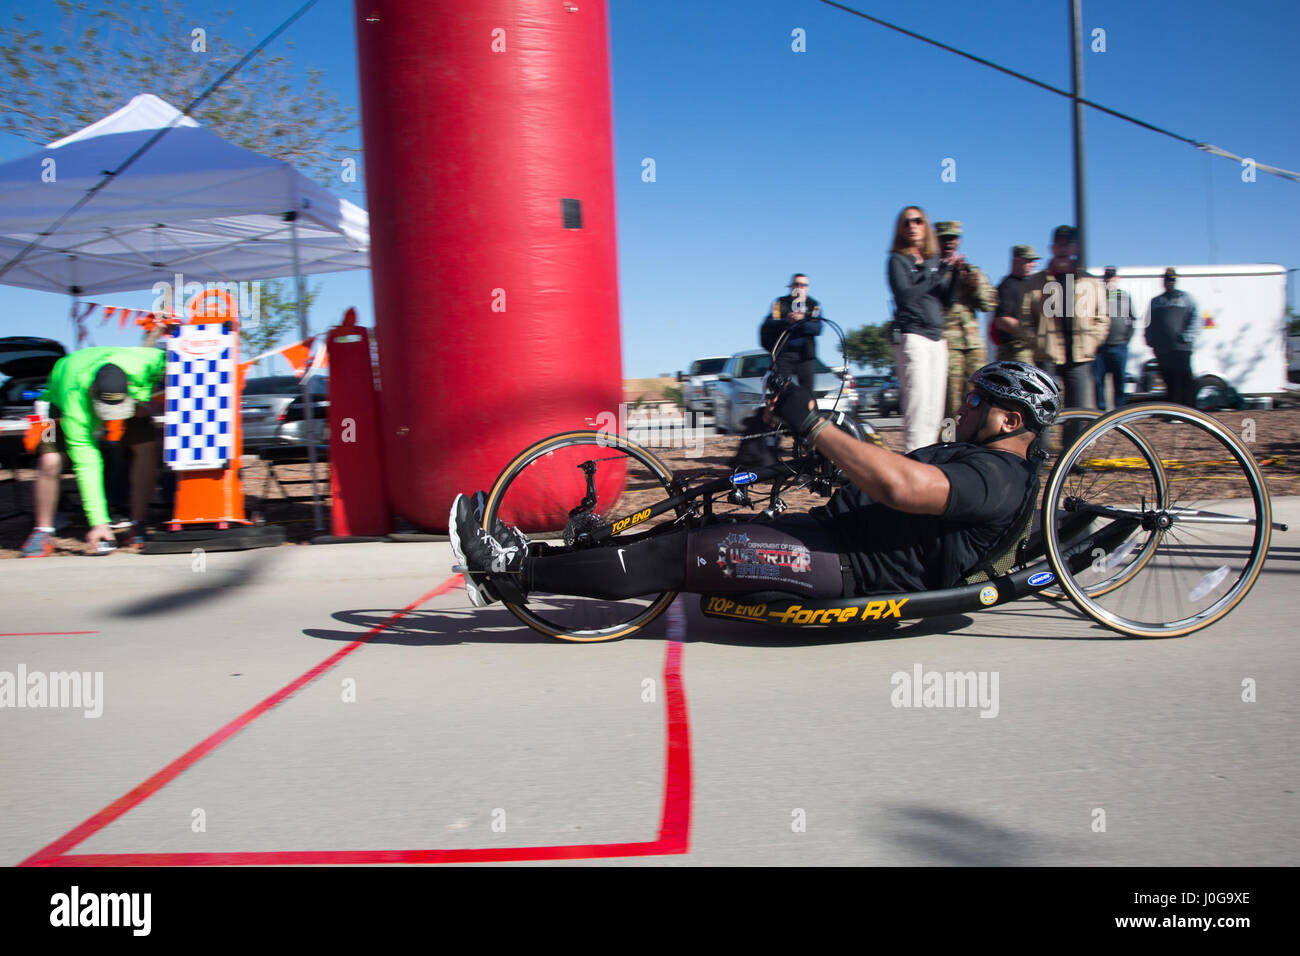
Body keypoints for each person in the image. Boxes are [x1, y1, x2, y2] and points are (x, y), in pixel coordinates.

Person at [449, 361, 1062, 607]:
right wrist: (837, 450)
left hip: (852, 569)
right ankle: (530, 555)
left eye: (980, 398)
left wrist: (815, 424)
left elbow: (904, 487)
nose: (969, 401)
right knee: (693, 523)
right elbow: (886, 473)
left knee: (680, 554)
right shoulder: (981, 460)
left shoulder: (998, 477)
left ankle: (508, 577)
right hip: (833, 536)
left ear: (1012, 420)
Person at [19, 346, 166, 557]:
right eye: (106, 414)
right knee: (49, 460)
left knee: (146, 447)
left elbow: (175, 361)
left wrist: (148, 399)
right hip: (56, 404)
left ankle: (137, 524)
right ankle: (42, 532)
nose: (109, 420)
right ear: (91, 392)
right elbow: (87, 463)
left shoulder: (146, 361)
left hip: (127, 394)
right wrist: (99, 523)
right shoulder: (74, 404)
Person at [1018, 225, 1108, 439]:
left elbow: (1102, 318)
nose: (1063, 249)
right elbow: (1024, 320)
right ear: (1052, 247)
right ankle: (1040, 453)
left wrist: (1093, 341)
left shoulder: (1090, 282)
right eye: (1059, 244)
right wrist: (1037, 342)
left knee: (1079, 410)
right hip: (1048, 355)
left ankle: (1072, 454)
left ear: (1075, 247)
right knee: (1043, 408)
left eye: (1067, 244)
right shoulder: (1035, 283)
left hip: (1080, 356)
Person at [887, 206, 961, 452]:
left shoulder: (932, 261)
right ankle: (913, 461)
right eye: (907, 222)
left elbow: (947, 301)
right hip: (913, 336)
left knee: (934, 411)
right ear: (900, 228)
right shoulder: (897, 260)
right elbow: (906, 296)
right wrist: (936, 273)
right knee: (917, 408)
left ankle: (927, 464)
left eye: (918, 221)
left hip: (937, 339)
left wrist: (955, 274)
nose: (912, 226)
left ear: (925, 226)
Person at [935, 221, 997, 424]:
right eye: (944, 238)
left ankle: (973, 444)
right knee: (951, 403)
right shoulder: (933, 271)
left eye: (952, 238)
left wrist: (974, 283)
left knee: (978, 397)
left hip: (973, 346)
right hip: (947, 344)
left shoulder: (972, 271)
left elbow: (989, 303)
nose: (949, 243)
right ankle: (948, 446)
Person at [1145, 267, 1200, 407]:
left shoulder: (1186, 298)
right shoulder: (1156, 301)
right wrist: (1150, 339)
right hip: (1163, 349)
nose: (1169, 282)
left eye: (1172, 280)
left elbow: (1195, 318)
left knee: (1185, 379)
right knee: (1169, 380)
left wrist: (1187, 337)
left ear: (1176, 281)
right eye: (1167, 279)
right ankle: (1173, 410)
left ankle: (1191, 410)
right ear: (1163, 281)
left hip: (1181, 348)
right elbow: (1148, 322)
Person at [760, 273, 823, 390]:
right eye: (796, 284)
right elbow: (770, 323)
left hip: (805, 355)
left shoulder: (813, 305)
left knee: (807, 392)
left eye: (803, 285)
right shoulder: (780, 303)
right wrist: (787, 320)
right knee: (781, 390)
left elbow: (817, 328)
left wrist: (802, 320)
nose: (799, 288)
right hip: (784, 353)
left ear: (807, 288)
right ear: (791, 286)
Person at [1093, 266, 1140, 411]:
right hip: (1100, 347)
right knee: (1098, 381)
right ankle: (1100, 411)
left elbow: (1133, 319)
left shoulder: (1124, 296)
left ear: (1117, 278)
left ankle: (1119, 410)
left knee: (1119, 381)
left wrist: (1128, 337)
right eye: (1107, 277)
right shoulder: (1098, 296)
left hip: (1119, 346)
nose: (1109, 280)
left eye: (1112, 277)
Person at [991, 244, 1040, 363]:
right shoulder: (1007, 286)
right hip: (1016, 351)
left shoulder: (1031, 285)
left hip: (1033, 349)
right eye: (1028, 260)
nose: (1032, 264)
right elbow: (1002, 321)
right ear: (1016, 261)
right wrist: (1030, 333)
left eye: (1033, 261)